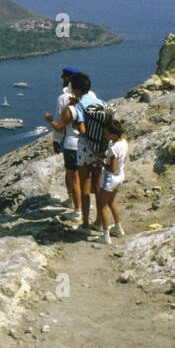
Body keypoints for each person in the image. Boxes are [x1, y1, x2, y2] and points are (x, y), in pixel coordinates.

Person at [70, 72, 103, 230]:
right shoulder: (100, 102)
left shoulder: (80, 105)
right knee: (97, 185)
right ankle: (100, 220)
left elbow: (82, 129)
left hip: (85, 148)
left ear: (77, 89)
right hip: (100, 147)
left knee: (84, 185)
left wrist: (76, 125)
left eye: (72, 88)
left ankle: (85, 222)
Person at [45, 68, 79, 216]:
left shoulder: (63, 98)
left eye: (64, 78)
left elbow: (59, 123)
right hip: (86, 141)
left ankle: (73, 203)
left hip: (70, 141)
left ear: (68, 79)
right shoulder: (91, 95)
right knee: (82, 174)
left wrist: (56, 141)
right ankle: (80, 202)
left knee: (71, 174)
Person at [94, 118, 127, 244]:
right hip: (120, 177)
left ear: (113, 134)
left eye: (107, 134)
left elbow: (111, 168)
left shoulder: (113, 148)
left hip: (110, 179)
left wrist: (101, 163)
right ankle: (118, 228)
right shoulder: (123, 143)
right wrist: (106, 156)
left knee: (102, 205)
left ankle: (105, 236)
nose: (106, 136)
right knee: (111, 201)